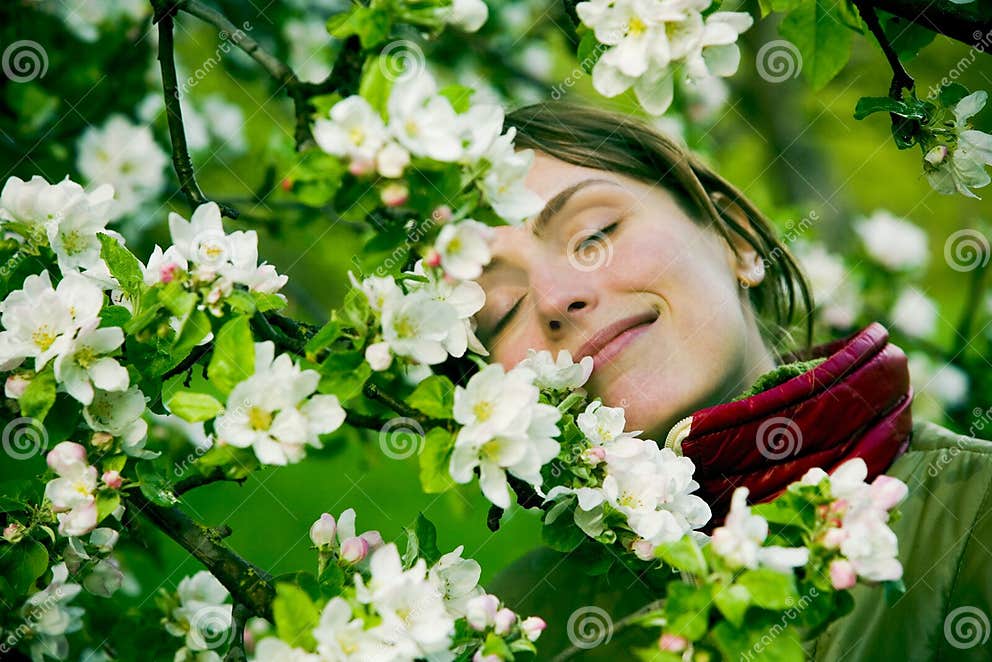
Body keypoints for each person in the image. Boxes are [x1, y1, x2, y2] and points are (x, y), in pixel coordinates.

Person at [478, 102, 992, 660]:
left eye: (595, 234)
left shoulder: (975, 508)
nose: (556, 298)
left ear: (737, 240)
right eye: (501, 310)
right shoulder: (508, 627)